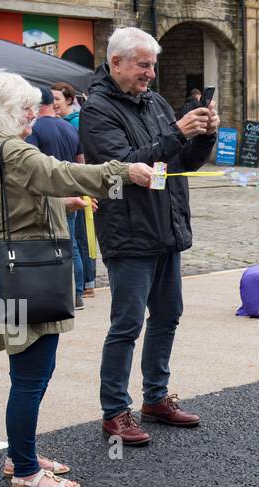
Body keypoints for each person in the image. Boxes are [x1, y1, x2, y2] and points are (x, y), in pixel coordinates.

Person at [0, 70, 153, 487]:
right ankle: (27, 471)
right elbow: (64, 171)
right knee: (32, 375)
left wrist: (55, 200)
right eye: (26, 107)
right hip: (26, 274)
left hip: (8, 270)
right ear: (5, 112)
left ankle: (21, 454)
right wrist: (125, 171)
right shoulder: (13, 152)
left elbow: (22, 196)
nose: (36, 112)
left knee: (28, 372)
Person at [80, 26, 220, 446]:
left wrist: (204, 134)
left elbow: (184, 162)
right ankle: (114, 411)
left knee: (168, 316)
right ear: (116, 62)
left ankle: (155, 398)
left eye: (153, 65)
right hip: (129, 232)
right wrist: (178, 130)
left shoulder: (156, 102)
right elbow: (124, 167)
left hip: (167, 227)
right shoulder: (97, 110)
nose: (151, 74)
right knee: (126, 324)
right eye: (144, 65)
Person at [25, 86, 86, 310]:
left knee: (50, 246)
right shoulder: (70, 128)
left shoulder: (33, 130)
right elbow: (82, 164)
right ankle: (77, 294)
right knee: (73, 245)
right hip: (72, 192)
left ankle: (55, 293)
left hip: (49, 196)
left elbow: (31, 167)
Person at [52, 81, 96, 297]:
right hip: (73, 186)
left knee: (81, 238)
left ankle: (86, 283)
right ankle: (85, 284)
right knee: (78, 238)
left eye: (58, 99)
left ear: (69, 99)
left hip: (76, 186)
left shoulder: (76, 123)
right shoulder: (63, 122)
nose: (54, 104)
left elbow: (82, 159)